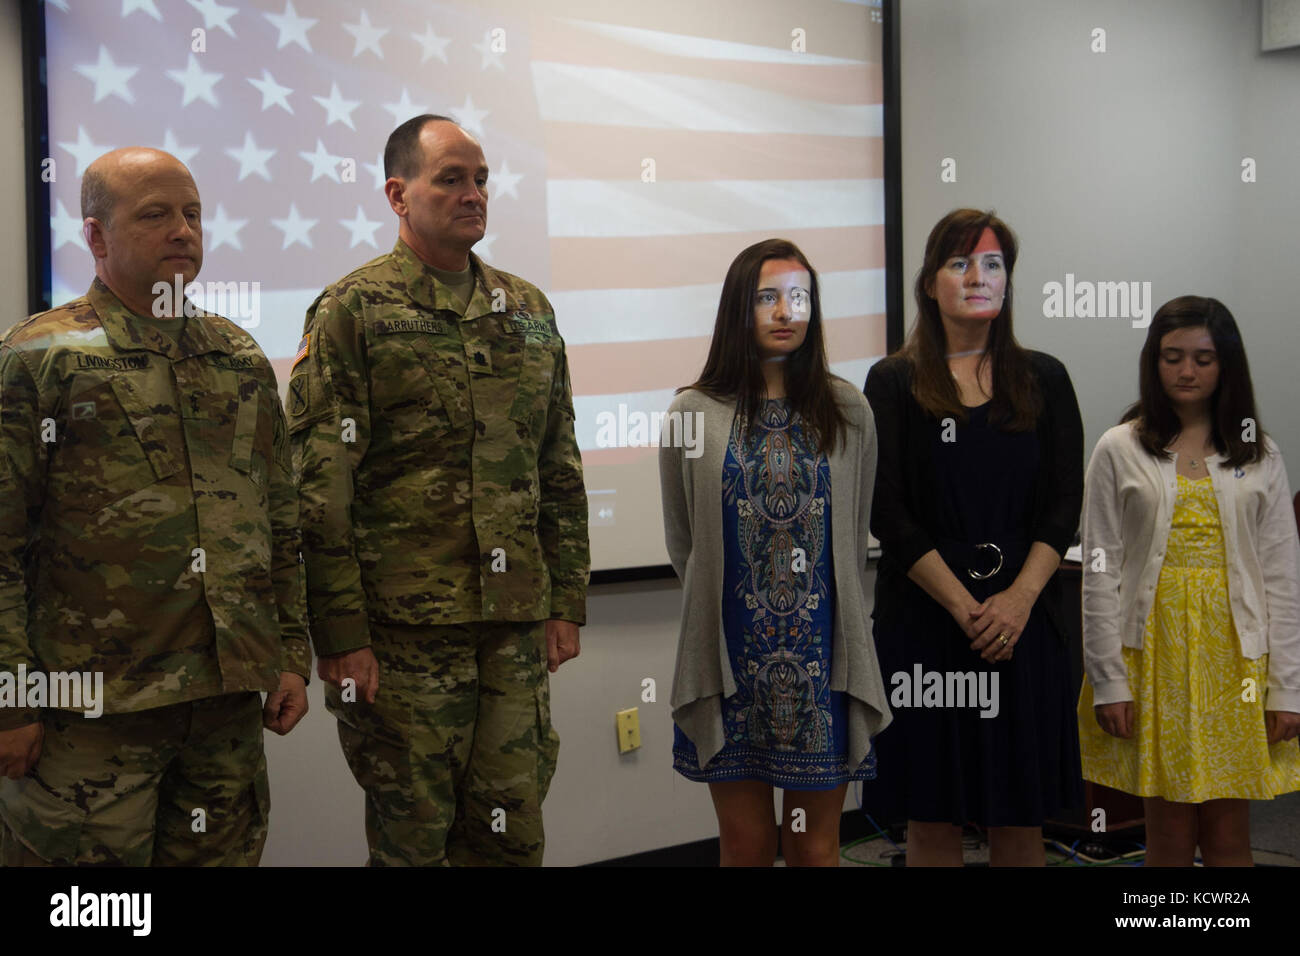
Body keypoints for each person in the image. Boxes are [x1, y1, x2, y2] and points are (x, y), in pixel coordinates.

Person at [289, 114, 588, 867]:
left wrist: (565, 601)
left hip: (513, 629)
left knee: (511, 834)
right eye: (450, 178)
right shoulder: (352, 312)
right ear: (399, 193)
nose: (472, 194)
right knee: (412, 840)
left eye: (481, 178)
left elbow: (557, 465)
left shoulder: (528, 311)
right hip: (401, 639)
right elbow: (320, 487)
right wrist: (342, 635)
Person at [0, 147, 310, 866]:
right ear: (97, 236)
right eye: (156, 214)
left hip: (222, 712)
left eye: (193, 214)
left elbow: (280, 520)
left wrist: (291, 656)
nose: (182, 230)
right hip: (90, 719)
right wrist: (11, 702)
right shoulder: (39, 356)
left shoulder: (236, 356)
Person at [859, 208, 1084, 866]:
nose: (978, 277)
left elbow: (1062, 504)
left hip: (1022, 622)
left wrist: (1014, 604)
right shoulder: (893, 381)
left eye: (993, 264)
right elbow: (887, 510)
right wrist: (966, 607)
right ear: (930, 283)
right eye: (960, 263)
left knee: (1019, 815)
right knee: (931, 816)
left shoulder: (1045, 378)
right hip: (925, 621)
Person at [659, 238, 890, 866]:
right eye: (768, 298)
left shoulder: (849, 409)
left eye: (799, 298)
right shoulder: (691, 412)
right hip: (732, 662)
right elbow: (684, 542)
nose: (786, 312)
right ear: (740, 307)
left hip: (823, 664)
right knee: (746, 845)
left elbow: (855, 532)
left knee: (817, 850)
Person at [1078, 296, 1300, 866]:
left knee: (1228, 833)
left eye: (1203, 358)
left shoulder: (1260, 452)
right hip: (1151, 656)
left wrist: (1287, 687)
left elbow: (1282, 575)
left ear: (1226, 365)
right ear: (1154, 363)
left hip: (1238, 660)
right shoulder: (1119, 447)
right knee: (1169, 832)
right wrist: (1109, 680)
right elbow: (1100, 571)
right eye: (1172, 357)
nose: (1186, 371)